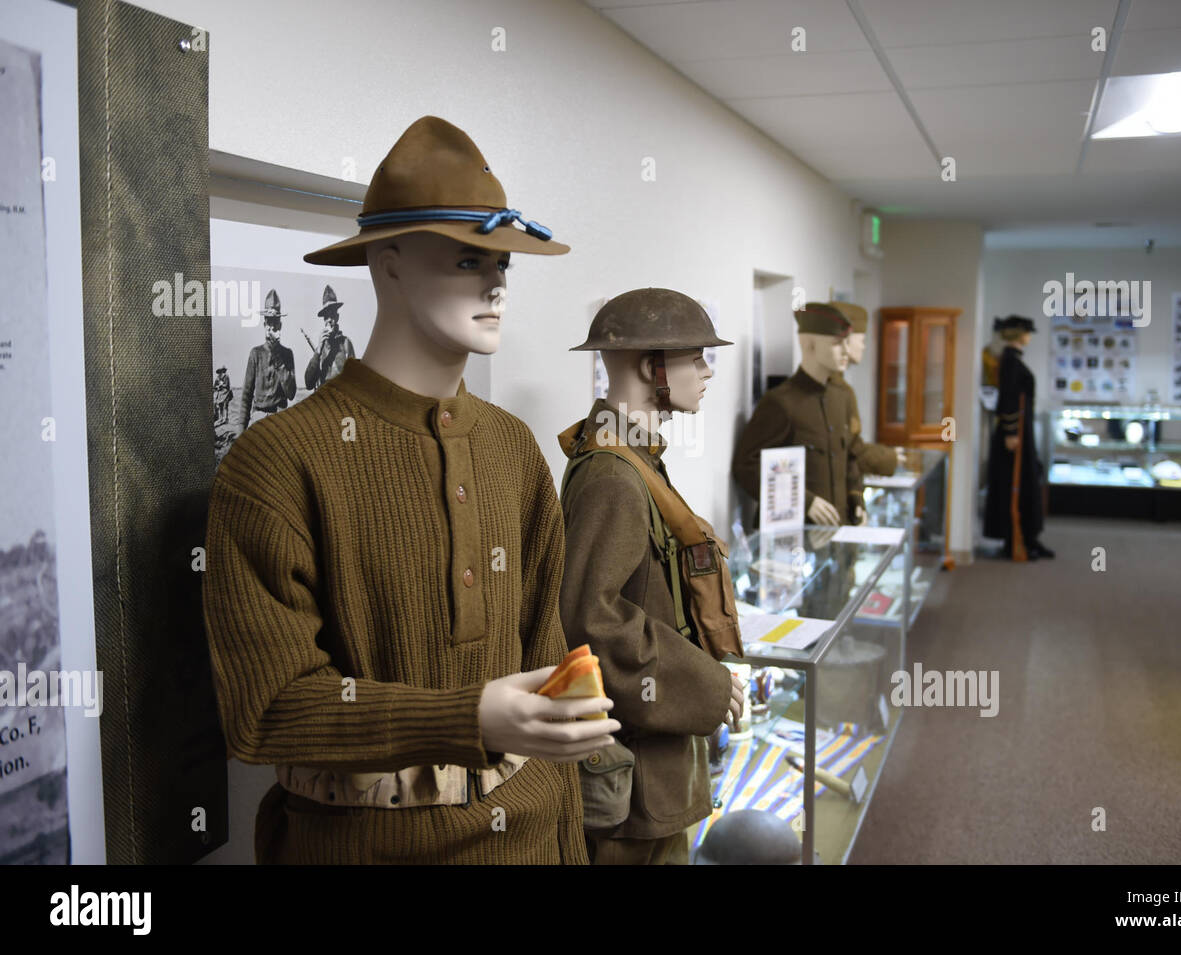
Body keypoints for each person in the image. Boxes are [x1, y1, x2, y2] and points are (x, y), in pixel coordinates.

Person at [202, 116, 616, 864]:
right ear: (387, 264)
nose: (495, 281)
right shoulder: (275, 463)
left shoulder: (514, 448)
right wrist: (471, 715)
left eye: (503, 263)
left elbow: (549, 663)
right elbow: (265, 710)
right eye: (467, 259)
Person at [558, 288, 744, 865]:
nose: (706, 370)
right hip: (634, 785)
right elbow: (591, 622)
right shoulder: (613, 477)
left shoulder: (634, 458)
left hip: (654, 766)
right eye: (695, 357)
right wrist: (710, 685)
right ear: (650, 366)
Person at [732, 303, 861, 526]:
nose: (846, 352)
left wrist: (856, 499)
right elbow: (746, 466)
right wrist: (804, 501)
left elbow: (850, 456)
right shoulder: (781, 402)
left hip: (839, 533)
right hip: (793, 538)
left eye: (847, 344)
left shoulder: (843, 398)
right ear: (809, 344)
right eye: (837, 344)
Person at [983, 315, 1054, 560]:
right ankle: (1017, 538)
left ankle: (1029, 537)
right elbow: (1010, 399)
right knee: (1016, 485)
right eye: (1026, 332)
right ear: (1018, 334)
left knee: (1027, 483)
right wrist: (1011, 432)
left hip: (1022, 431)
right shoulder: (1010, 362)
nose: (1029, 336)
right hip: (1014, 435)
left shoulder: (1013, 360)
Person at [825, 301, 899, 521]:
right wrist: (890, 458)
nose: (864, 346)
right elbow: (851, 450)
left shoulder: (843, 389)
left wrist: (856, 496)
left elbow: (849, 451)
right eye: (862, 340)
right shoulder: (835, 391)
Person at [238, 290, 297, 431]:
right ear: (264, 325)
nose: (272, 327)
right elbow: (246, 396)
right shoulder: (256, 353)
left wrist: (277, 355)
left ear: (280, 326)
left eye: (275, 323)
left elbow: (291, 393)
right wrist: (240, 432)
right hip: (258, 419)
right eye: (269, 323)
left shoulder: (287, 354)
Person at [304, 285, 356, 391]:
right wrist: (318, 352)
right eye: (326, 317)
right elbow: (309, 384)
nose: (329, 320)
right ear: (324, 320)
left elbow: (355, 381)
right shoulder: (320, 348)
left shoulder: (346, 344)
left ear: (337, 317)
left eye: (332, 315)